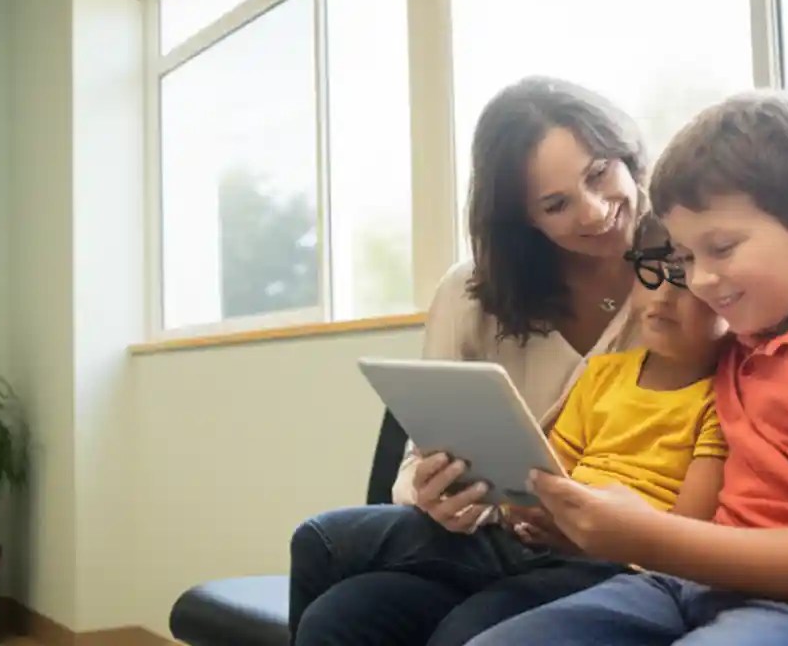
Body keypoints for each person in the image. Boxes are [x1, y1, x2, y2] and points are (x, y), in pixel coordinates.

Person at [289, 77, 788, 645]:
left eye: (602, 175)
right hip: (668, 572)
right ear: (524, 222)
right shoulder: (742, 336)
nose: (697, 281)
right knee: (340, 575)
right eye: (558, 203)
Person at [292, 214, 729, 646]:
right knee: (328, 579)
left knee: (462, 633)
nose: (664, 297)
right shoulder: (603, 374)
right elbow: (553, 473)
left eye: (684, 280)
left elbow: (681, 535)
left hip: (614, 567)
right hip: (532, 544)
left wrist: (590, 529)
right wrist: (528, 506)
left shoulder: (723, 398)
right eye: (651, 272)